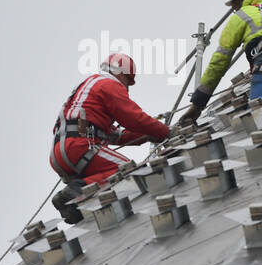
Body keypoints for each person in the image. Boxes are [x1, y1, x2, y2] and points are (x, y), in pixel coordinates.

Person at [49, 53, 171, 223]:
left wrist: (148, 134)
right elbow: (133, 118)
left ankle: (76, 205)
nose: (127, 87)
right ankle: (78, 190)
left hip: (61, 154)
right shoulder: (109, 84)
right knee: (128, 171)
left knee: (105, 180)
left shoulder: (88, 87)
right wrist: (165, 132)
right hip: (80, 147)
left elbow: (116, 135)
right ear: (121, 74)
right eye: (128, 81)